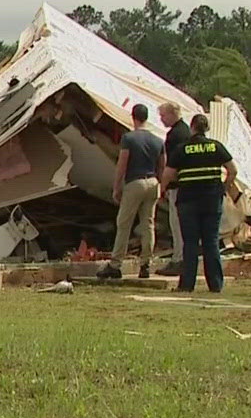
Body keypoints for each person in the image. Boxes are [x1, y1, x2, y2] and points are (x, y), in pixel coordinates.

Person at [162, 112, 237, 293]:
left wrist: (163, 190)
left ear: (192, 128)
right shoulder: (216, 147)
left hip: (188, 201)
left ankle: (187, 284)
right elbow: (233, 170)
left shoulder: (182, 149)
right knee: (211, 242)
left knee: (190, 243)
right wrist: (223, 188)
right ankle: (216, 285)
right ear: (207, 129)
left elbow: (168, 175)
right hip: (212, 200)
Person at [102, 104, 164, 279]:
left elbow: (122, 164)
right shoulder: (157, 140)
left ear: (133, 117)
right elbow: (162, 165)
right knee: (148, 225)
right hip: (153, 182)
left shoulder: (129, 139)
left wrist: (117, 187)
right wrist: (160, 185)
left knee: (124, 223)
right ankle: (145, 264)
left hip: (135, 182)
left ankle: (116, 264)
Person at [158, 102, 191, 272]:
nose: (161, 119)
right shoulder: (187, 131)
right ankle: (184, 257)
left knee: (176, 223)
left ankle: (178, 259)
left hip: (177, 186)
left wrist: (162, 186)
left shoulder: (174, 135)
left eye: (163, 116)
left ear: (172, 114)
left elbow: (171, 166)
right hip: (188, 185)